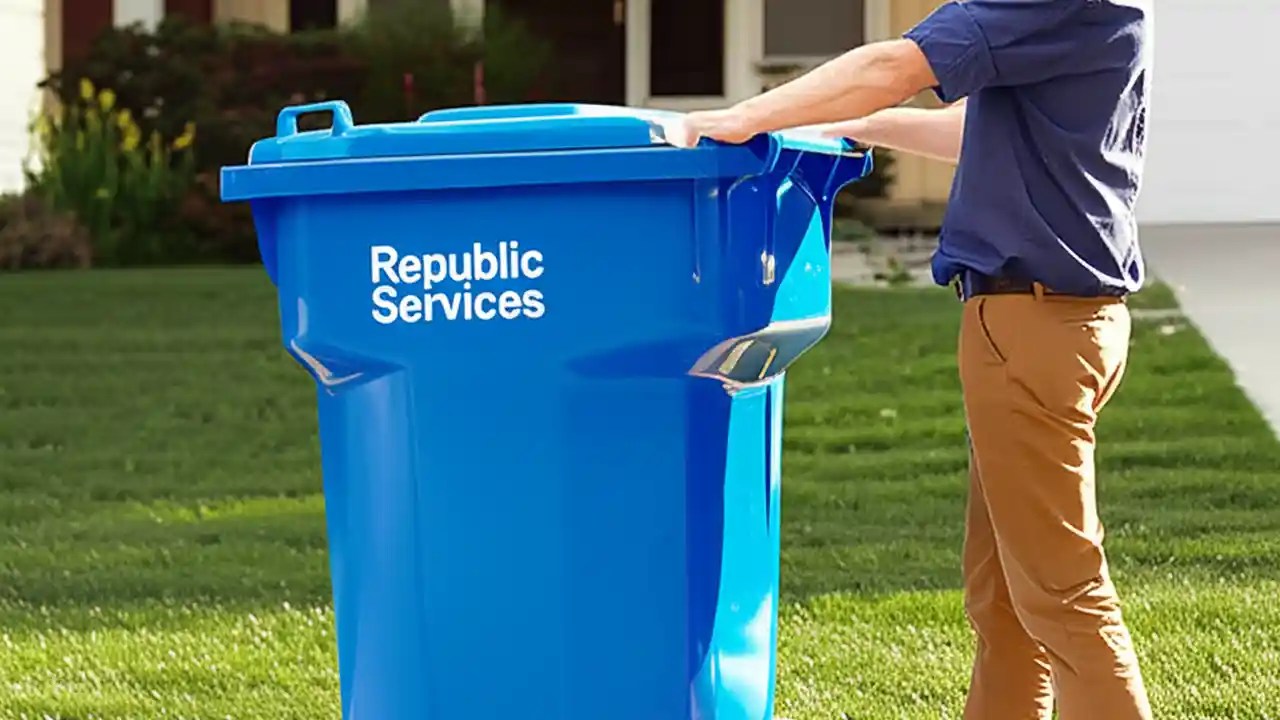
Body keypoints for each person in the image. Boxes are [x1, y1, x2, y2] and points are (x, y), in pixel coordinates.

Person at [677, 2, 1156, 718]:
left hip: (1029, 327)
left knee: (1062, 599)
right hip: (1069, 322)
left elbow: (895, 65)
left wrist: (743, 116)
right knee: (1003, 603)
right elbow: (994, 132)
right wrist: (858, 125)